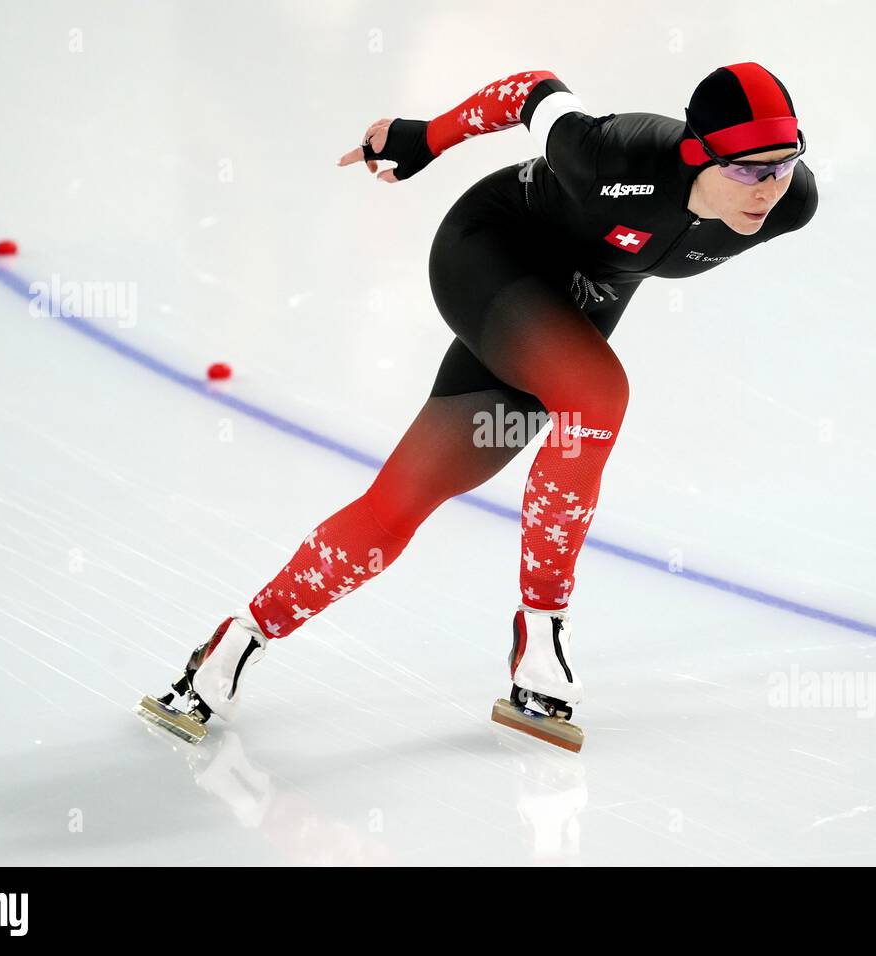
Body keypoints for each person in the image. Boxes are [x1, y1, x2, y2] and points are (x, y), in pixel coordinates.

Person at [137, 61, 818, 748]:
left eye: (783, 164)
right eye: (746, 170)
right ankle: (544, 632)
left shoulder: (791, 203)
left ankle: (232, 646)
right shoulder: (615, 155)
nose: (767, 188)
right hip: (489, 253)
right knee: (599, 396)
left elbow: (672, 231)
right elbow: (534, 90)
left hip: (572, 309)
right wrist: (426, 137)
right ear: (698, 152)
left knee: (403, 499)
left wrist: (771, 180)